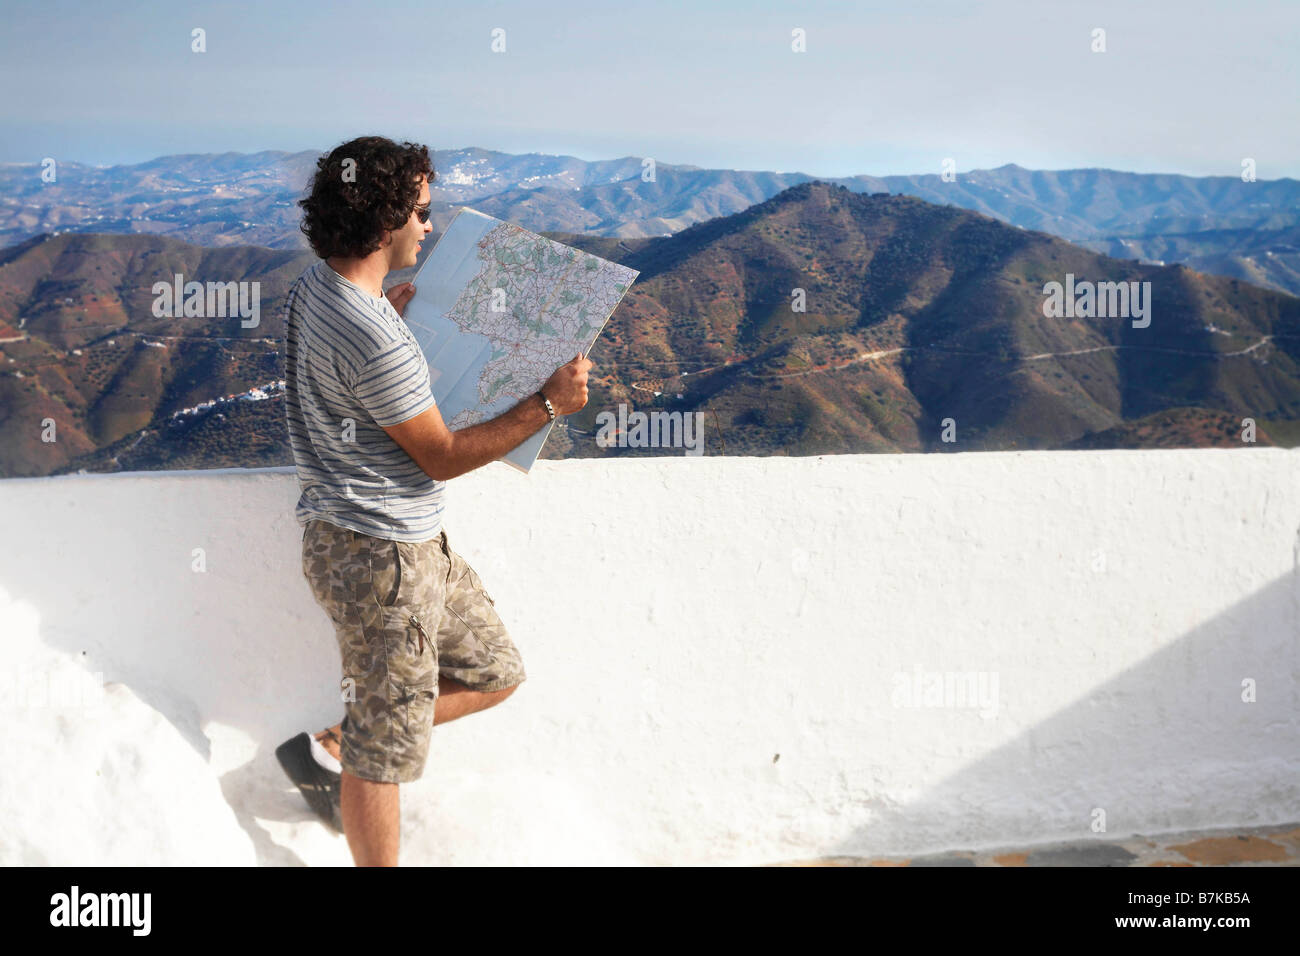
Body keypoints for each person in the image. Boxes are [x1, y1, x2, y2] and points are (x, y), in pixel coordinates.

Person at [276, 135, 591, 866]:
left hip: (391, 544)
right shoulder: (373, 340)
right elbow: (441, 456)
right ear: (384, 222)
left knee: (496, 672)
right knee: (383, 752)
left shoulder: (320, 288)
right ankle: (353, 765)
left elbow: (352, 354)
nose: (429, 226)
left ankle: (331, 749)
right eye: (420, 212)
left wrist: (388, 308)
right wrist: (547, 402)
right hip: (382, 559)